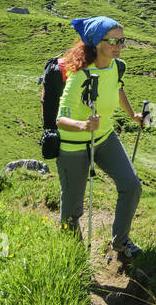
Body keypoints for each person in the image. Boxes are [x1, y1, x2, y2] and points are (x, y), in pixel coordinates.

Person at [53, 16, 147, 261]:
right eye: (113, 40)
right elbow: (60, 119)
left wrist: (133, 115)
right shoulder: (79, 75)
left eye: (122, 40)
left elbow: (117, 89)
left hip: (104, 136)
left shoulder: (116, 66)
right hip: (72, 145)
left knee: (132, 185)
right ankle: (73, 260)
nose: (118, 45)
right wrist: (83, 125)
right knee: (72, 211)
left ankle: (120, 241)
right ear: (97, 43)